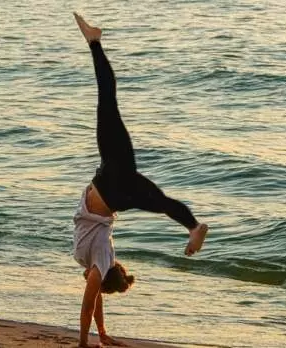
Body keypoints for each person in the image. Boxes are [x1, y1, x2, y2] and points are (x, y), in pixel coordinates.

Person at [71, 12, 209, 347]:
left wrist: (100, 335)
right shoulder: (99, 258)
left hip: (117, 192)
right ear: (105, 274)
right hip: (111, 183)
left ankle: (192, 227)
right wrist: (83, 343)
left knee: (160, 203)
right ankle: (93, 41)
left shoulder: (97, 263)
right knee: (107, 98)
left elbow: (95, 298)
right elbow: (90, 300)